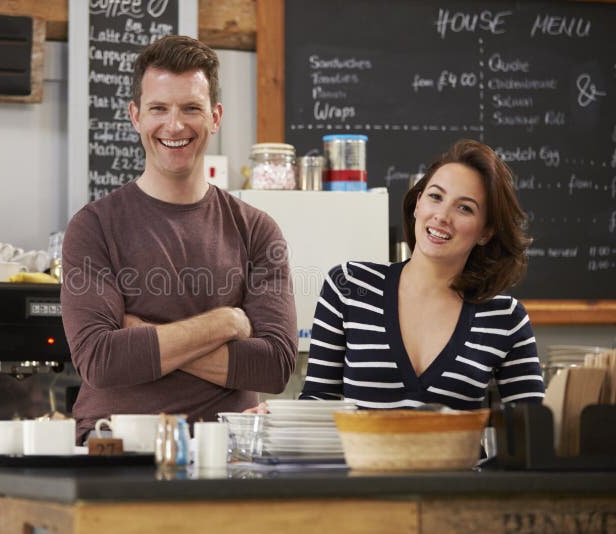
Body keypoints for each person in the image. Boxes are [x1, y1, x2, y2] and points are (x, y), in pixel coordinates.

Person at [61, 35, 297, 442]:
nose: (175, 125)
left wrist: (144, 335)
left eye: (191, 108)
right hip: (115, 449)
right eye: (158, 108)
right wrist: (224, 322)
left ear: (215, 116)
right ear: (135, 116)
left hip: (223, 452)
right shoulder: (93, 227)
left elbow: (274, 365)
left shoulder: (257, 230)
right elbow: (100, 360)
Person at [299, 139, 545, 409]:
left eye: (464, 208)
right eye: (435, 197)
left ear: (486, 232)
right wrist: (270, 421)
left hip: (463, 454)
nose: (441, 216)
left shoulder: (506, 318)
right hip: (361, 453)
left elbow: (531, 433)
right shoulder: (348, 285)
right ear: (417, 204)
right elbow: (316, 403)